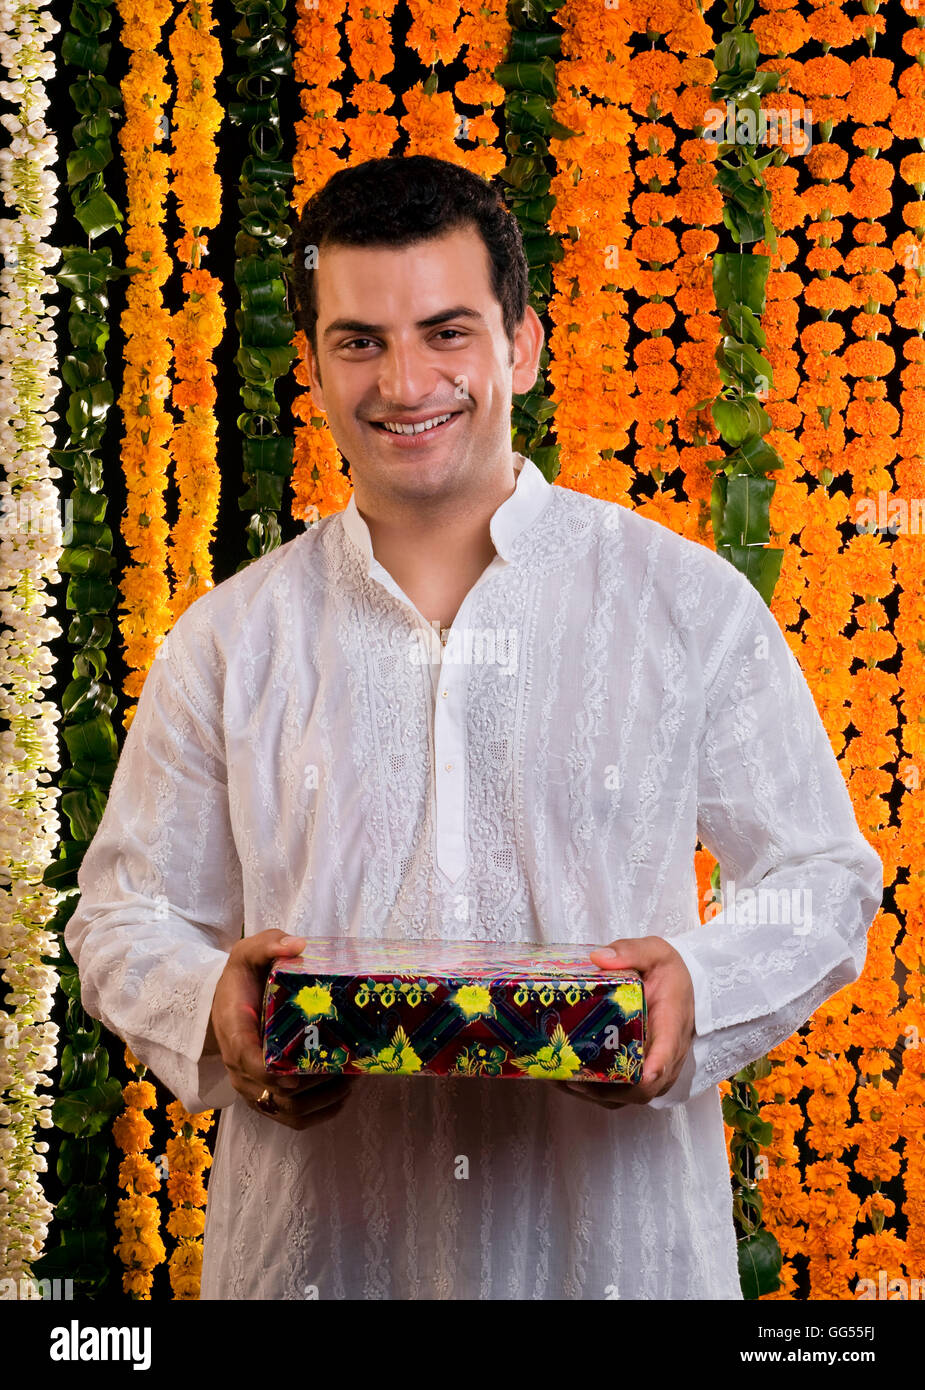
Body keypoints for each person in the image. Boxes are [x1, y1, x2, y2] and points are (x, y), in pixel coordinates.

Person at [65, 154, 883, 1300]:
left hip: (611, 1253)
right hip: (319, 1258)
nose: (405, 382)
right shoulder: (230, 638)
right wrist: (218, 1013)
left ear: (524, 347)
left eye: (447, 332)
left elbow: (822, 876)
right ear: (313, 365)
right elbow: (124, 913)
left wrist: (694, 992)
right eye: (360, 340)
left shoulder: (680, 602)